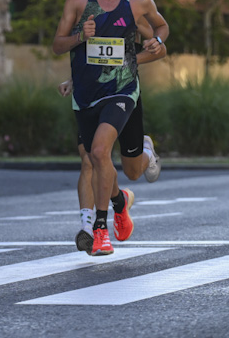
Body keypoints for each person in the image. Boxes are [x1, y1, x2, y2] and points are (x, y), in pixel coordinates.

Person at [52, 0, 168, 256]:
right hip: (88, 95)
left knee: (101, 152)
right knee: (106, 163)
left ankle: (100, 232)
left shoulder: (137, 3)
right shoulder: (78, 1)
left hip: (123, 91)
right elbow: (59, 45)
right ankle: (119, 202)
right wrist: (80, 39)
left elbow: (161, 29)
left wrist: (155, 42)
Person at [59, 13, 165, 254]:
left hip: (124, 94)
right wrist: (74, 79)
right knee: (91, 157)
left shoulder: (132, 8)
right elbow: (89, 59)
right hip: (91, 97)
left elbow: (158, 49)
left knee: (133, 171)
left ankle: (145, 151)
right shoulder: (86, 12)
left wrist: (135, 56)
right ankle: (89, 228)